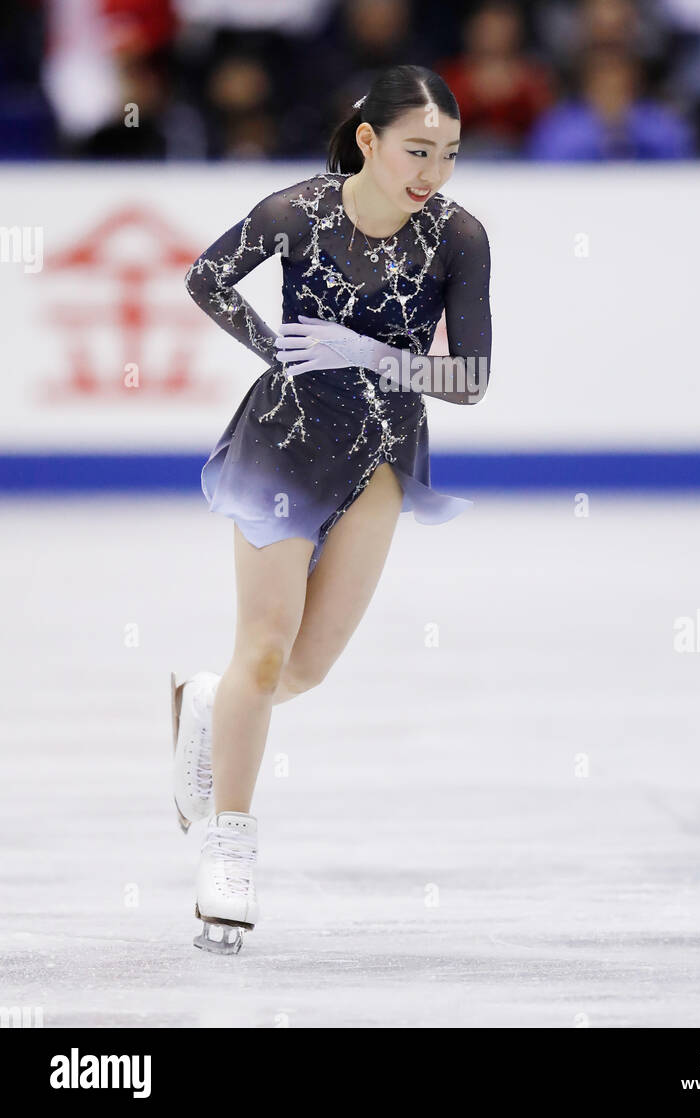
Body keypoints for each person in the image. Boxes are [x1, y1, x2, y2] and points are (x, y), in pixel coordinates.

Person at [176, 64, 492, 952]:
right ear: (369, 140)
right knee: (265, 645)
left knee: (300, 673)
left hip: (383, 459)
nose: (433, 172)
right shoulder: (296, 212)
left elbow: (470, 380)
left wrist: (366, 349)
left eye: (450, 155)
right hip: (283, 439)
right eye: (417, 150)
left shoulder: (459, 238)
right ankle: (229, 849)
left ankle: (207, 702)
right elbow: (206, 279)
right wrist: (275, 348)